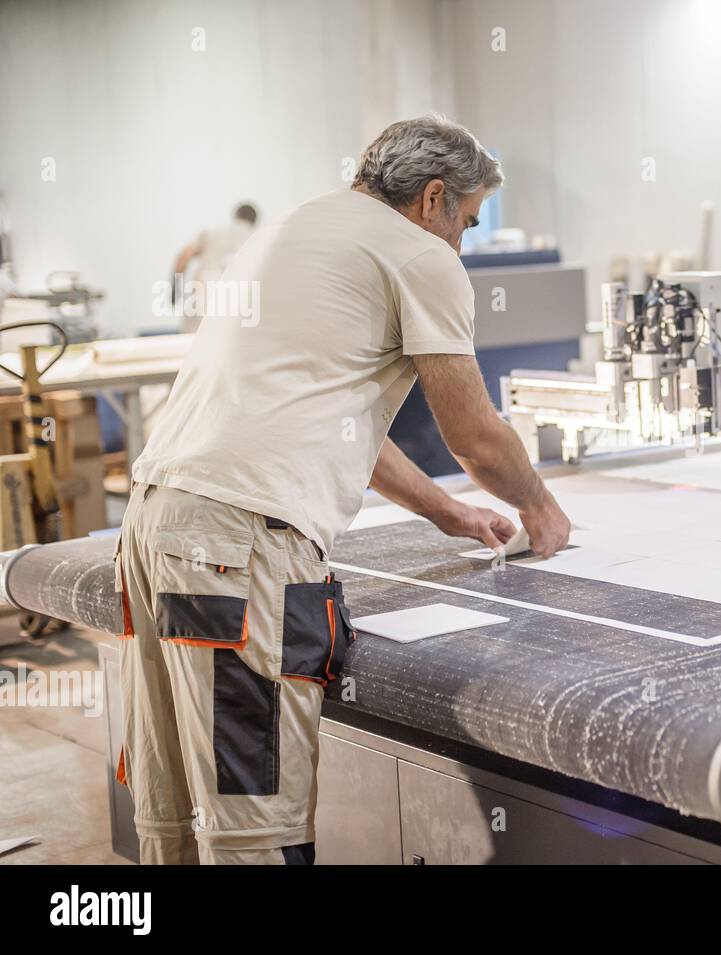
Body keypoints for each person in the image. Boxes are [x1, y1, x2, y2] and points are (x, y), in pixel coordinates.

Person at [117, 114, 572, 864]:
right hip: (237, 552)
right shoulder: (421, 257)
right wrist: (539, 506)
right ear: (433, 200)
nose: (462, 240)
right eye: (466, 218)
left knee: (178, 816)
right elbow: (475, 434)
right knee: (255, 829)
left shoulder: (299, 227)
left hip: (155, 524)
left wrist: (449, 509)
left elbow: (327, 421)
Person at [172, 203, 258, 332]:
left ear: (236, 215)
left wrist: (175, 291)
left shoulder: (213, 231)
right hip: (235, 297)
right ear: (253, 221)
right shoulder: (255, 237)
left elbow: (184, 256)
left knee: (193, 340)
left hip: (202, 289)